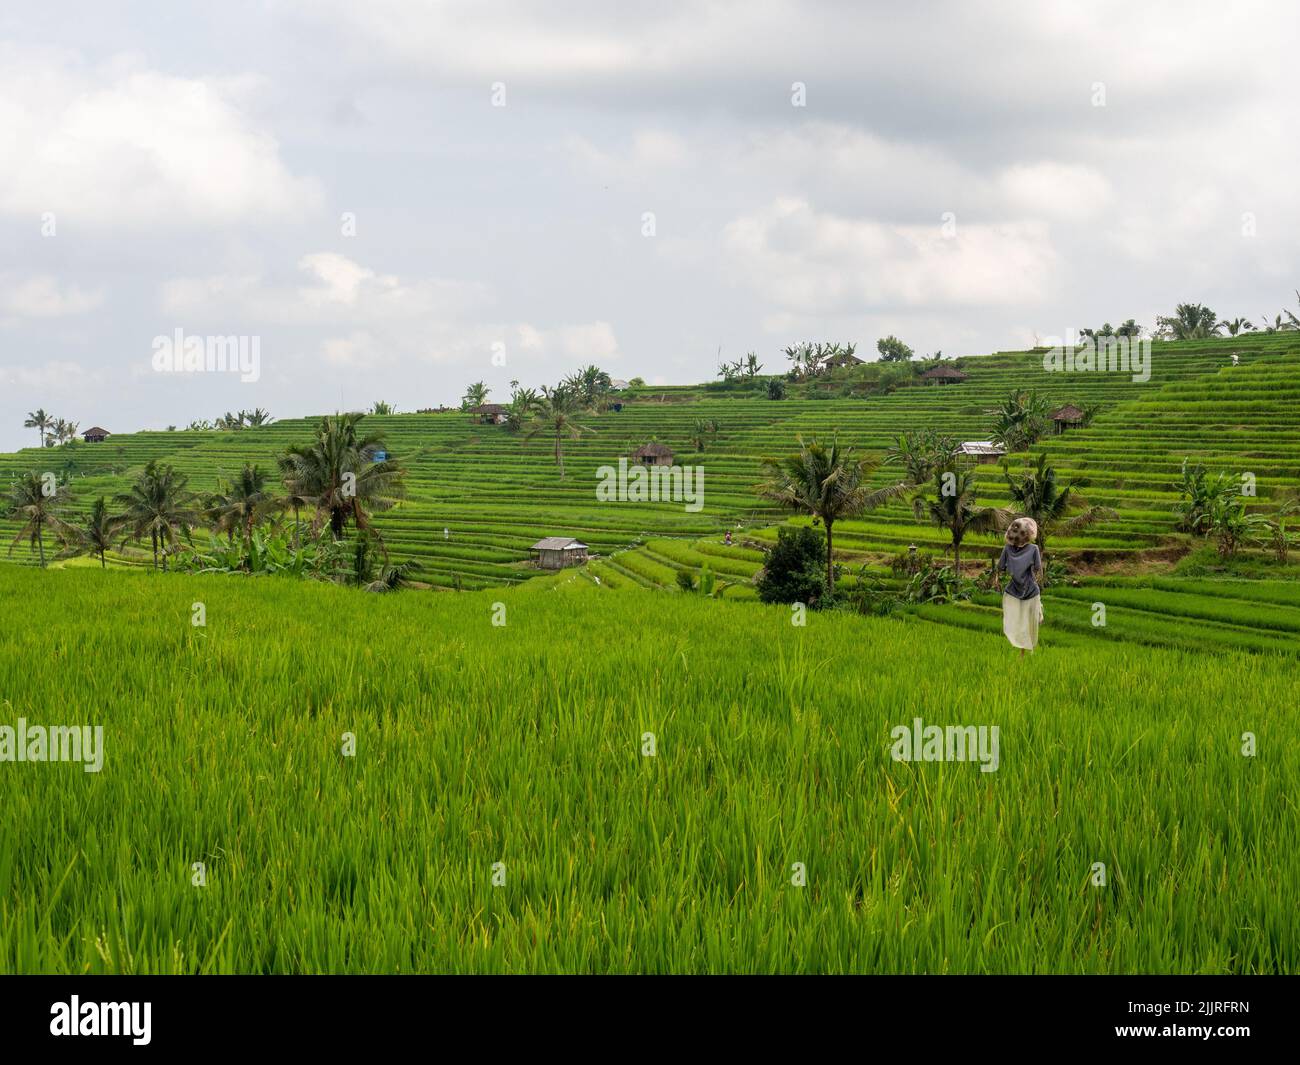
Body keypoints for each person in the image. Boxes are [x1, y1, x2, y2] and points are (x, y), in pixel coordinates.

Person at [997, 517, 1044, 657]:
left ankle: (1023, 652)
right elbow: (1038, 570)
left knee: (1019, 622)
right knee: (1026, 623)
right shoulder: (1034, 549)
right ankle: (1039, 612)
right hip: (1030, 590)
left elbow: (1000, 567)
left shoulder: (1007, 549)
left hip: (1013, 590)